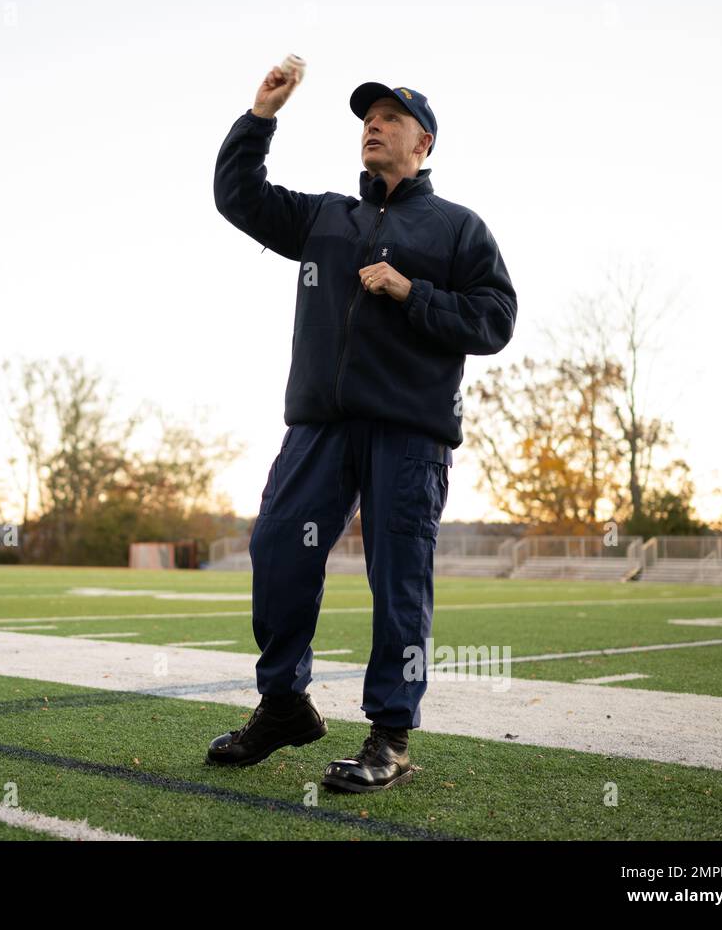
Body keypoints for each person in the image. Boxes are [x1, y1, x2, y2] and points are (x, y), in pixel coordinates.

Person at [206, 64, 517, 792]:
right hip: (320, 426)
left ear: (423, 142)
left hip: (409, 434)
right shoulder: (326, 218)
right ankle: (282, 704)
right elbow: (238, 196)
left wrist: (415, 293)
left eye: (389, 118)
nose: (371, 126)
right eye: (365, 118)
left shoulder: (457, 227)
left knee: (398, 579)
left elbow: (495, 319)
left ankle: (391, 735)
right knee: (279, 547)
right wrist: (259, 116)